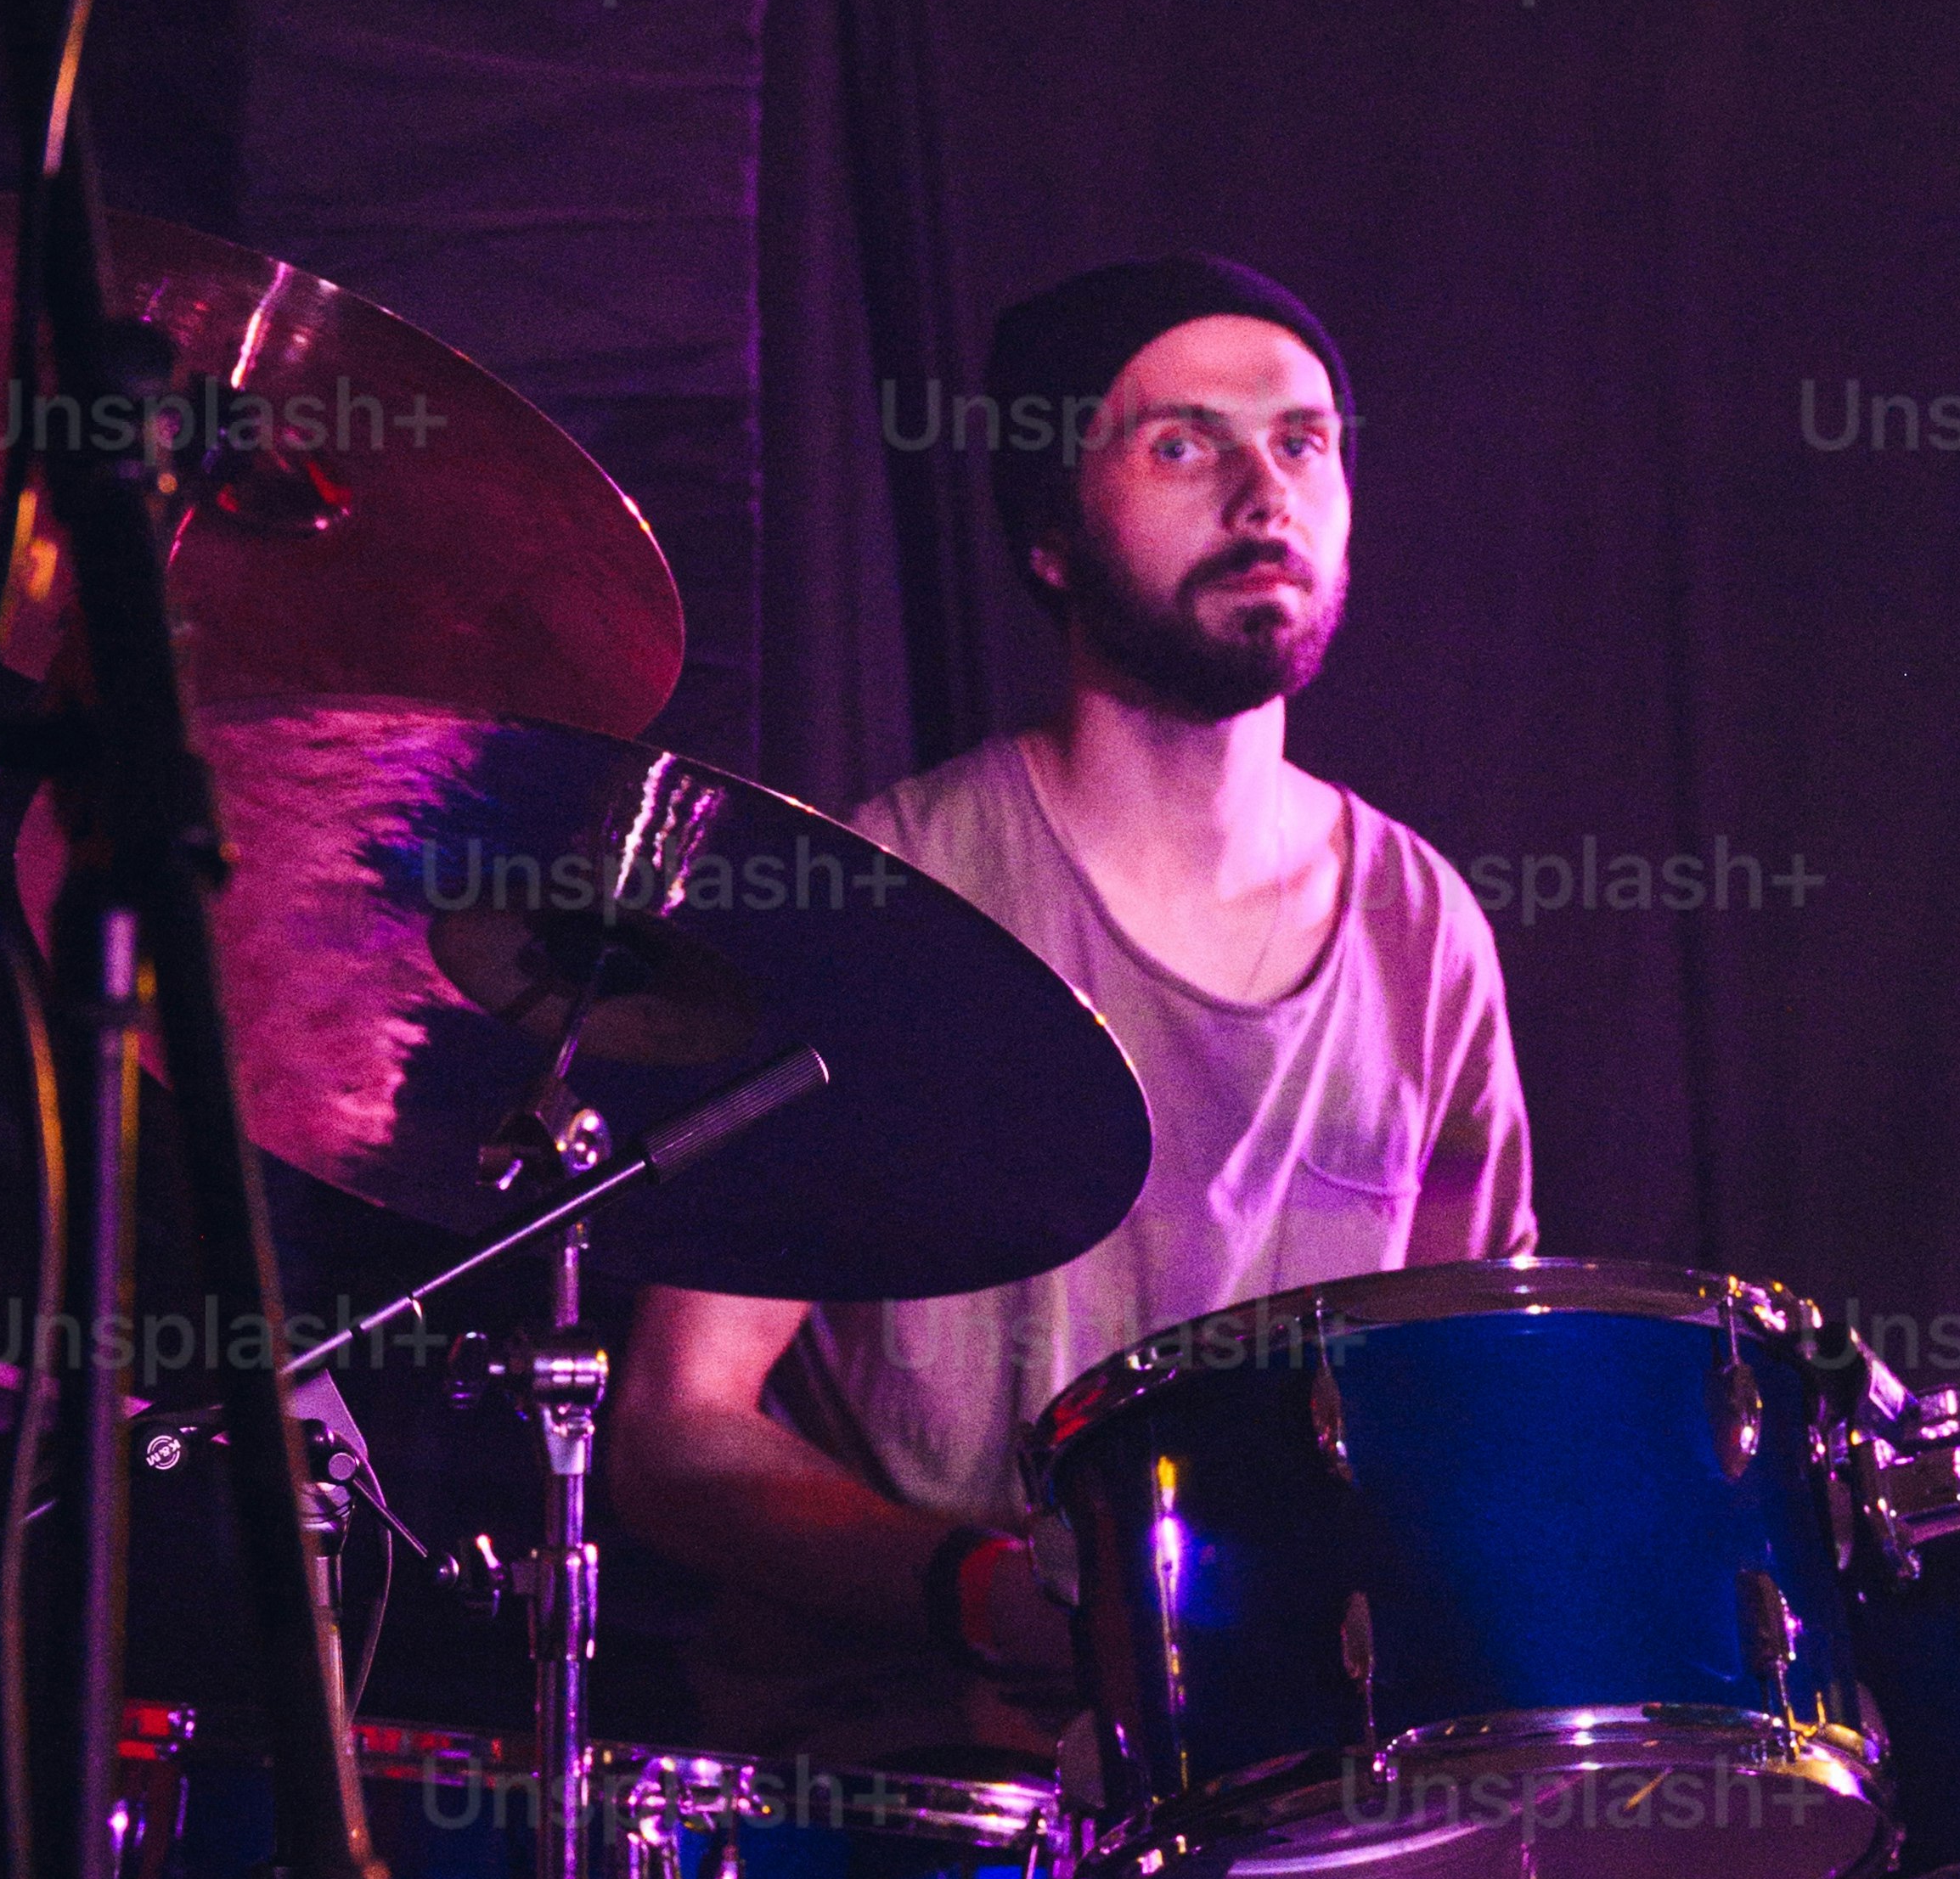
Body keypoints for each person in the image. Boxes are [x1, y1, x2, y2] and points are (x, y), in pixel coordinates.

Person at [601, 252, 1532, 1791]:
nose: (1261, 493)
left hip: (1285, 1780)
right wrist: (984, 1596)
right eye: (1183, 444)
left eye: (1303, 442)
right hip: (915, 1795)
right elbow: (671, 1431)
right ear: (1047, 537)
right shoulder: (883, 895)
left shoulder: (1424, 927)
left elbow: (1465, 1408)